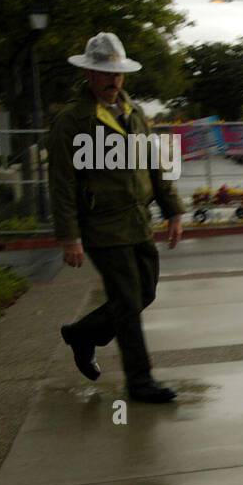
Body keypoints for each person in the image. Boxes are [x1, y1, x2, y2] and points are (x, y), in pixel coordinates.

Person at [49, 32, 184, 403]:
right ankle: (140, 382)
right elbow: (61, 182)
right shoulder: (71, 121)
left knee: (146, 291)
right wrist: (70, 236)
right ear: (89, 75)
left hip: (138, 221)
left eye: (118, 74)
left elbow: (154, 166)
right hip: (101, 226)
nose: (114, 81)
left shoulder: (135, 113)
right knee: (127, 300)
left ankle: (82, 334)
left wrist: (172, 210)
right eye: (106, 74)